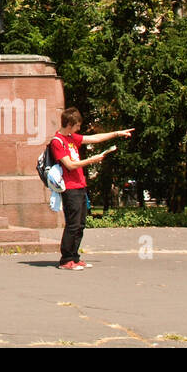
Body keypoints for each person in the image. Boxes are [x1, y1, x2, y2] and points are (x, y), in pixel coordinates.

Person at [51, 107, 134, 270]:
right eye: (77, 126)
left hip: (80, 186)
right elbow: (69, 164)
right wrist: (91, 160)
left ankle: (74, 257)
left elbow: (95, 138)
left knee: (80, 224)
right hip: (70, 188)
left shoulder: (71, 137)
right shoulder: (58, 141)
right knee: (73, 224)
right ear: (69, 124)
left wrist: (117, 133)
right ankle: (65, 259)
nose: (79, 129)